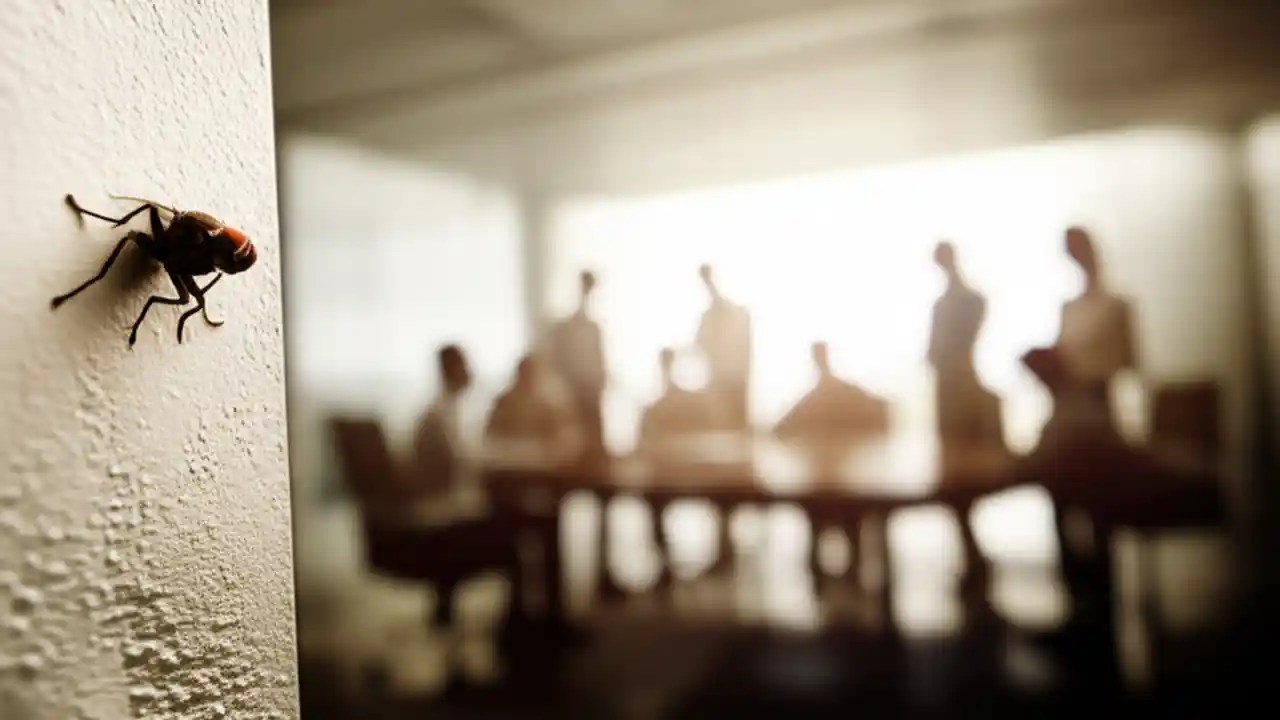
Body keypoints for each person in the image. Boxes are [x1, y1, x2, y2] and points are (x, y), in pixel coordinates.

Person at [927, 241, 1003, 448]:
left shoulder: (970, 299)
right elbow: (932, 347)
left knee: (968, 442)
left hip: (962, 377)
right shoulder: (941, 304)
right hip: (946, 378)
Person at [773, 341, 889, 441]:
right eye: (819, 355)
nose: (820, 359)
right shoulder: (818, 395)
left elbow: (782, 429)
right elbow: (782, 429)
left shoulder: (835, 390)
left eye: (821, 355)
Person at [548, 270, 608, 457]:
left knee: (595, 446)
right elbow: (556, 361)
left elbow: (600, 361)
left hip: (591, 392)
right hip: (571, 393)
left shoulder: (593, 327)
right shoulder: (564, 328)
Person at [412, 344, 479, 496]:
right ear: (451, 370)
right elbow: (458, 458)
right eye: (464, 365)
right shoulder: (441, 412)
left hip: (441, 489)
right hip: (441, 495)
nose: (469, 372)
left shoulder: (444, 406)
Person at [694, 264, 752, 431]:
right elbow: (698, 346)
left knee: (737, 428)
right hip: (718, 382)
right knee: (722, 427)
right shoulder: (707, 317)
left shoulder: (739, 313)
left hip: (736, 382)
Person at [485, 354, 578, 448]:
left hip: (538, 459)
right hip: (509, 457)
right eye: (524, 373)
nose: (527, 378)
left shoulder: (545, 406)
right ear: (518, 374)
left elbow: (556, 436)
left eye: (530, 374)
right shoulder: (504, 402)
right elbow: (491, 432)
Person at [637, 348, 723, 448]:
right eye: (664, 364)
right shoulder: (653, 411)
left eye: (668, 363)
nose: (666, 369)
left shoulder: (693, 406)